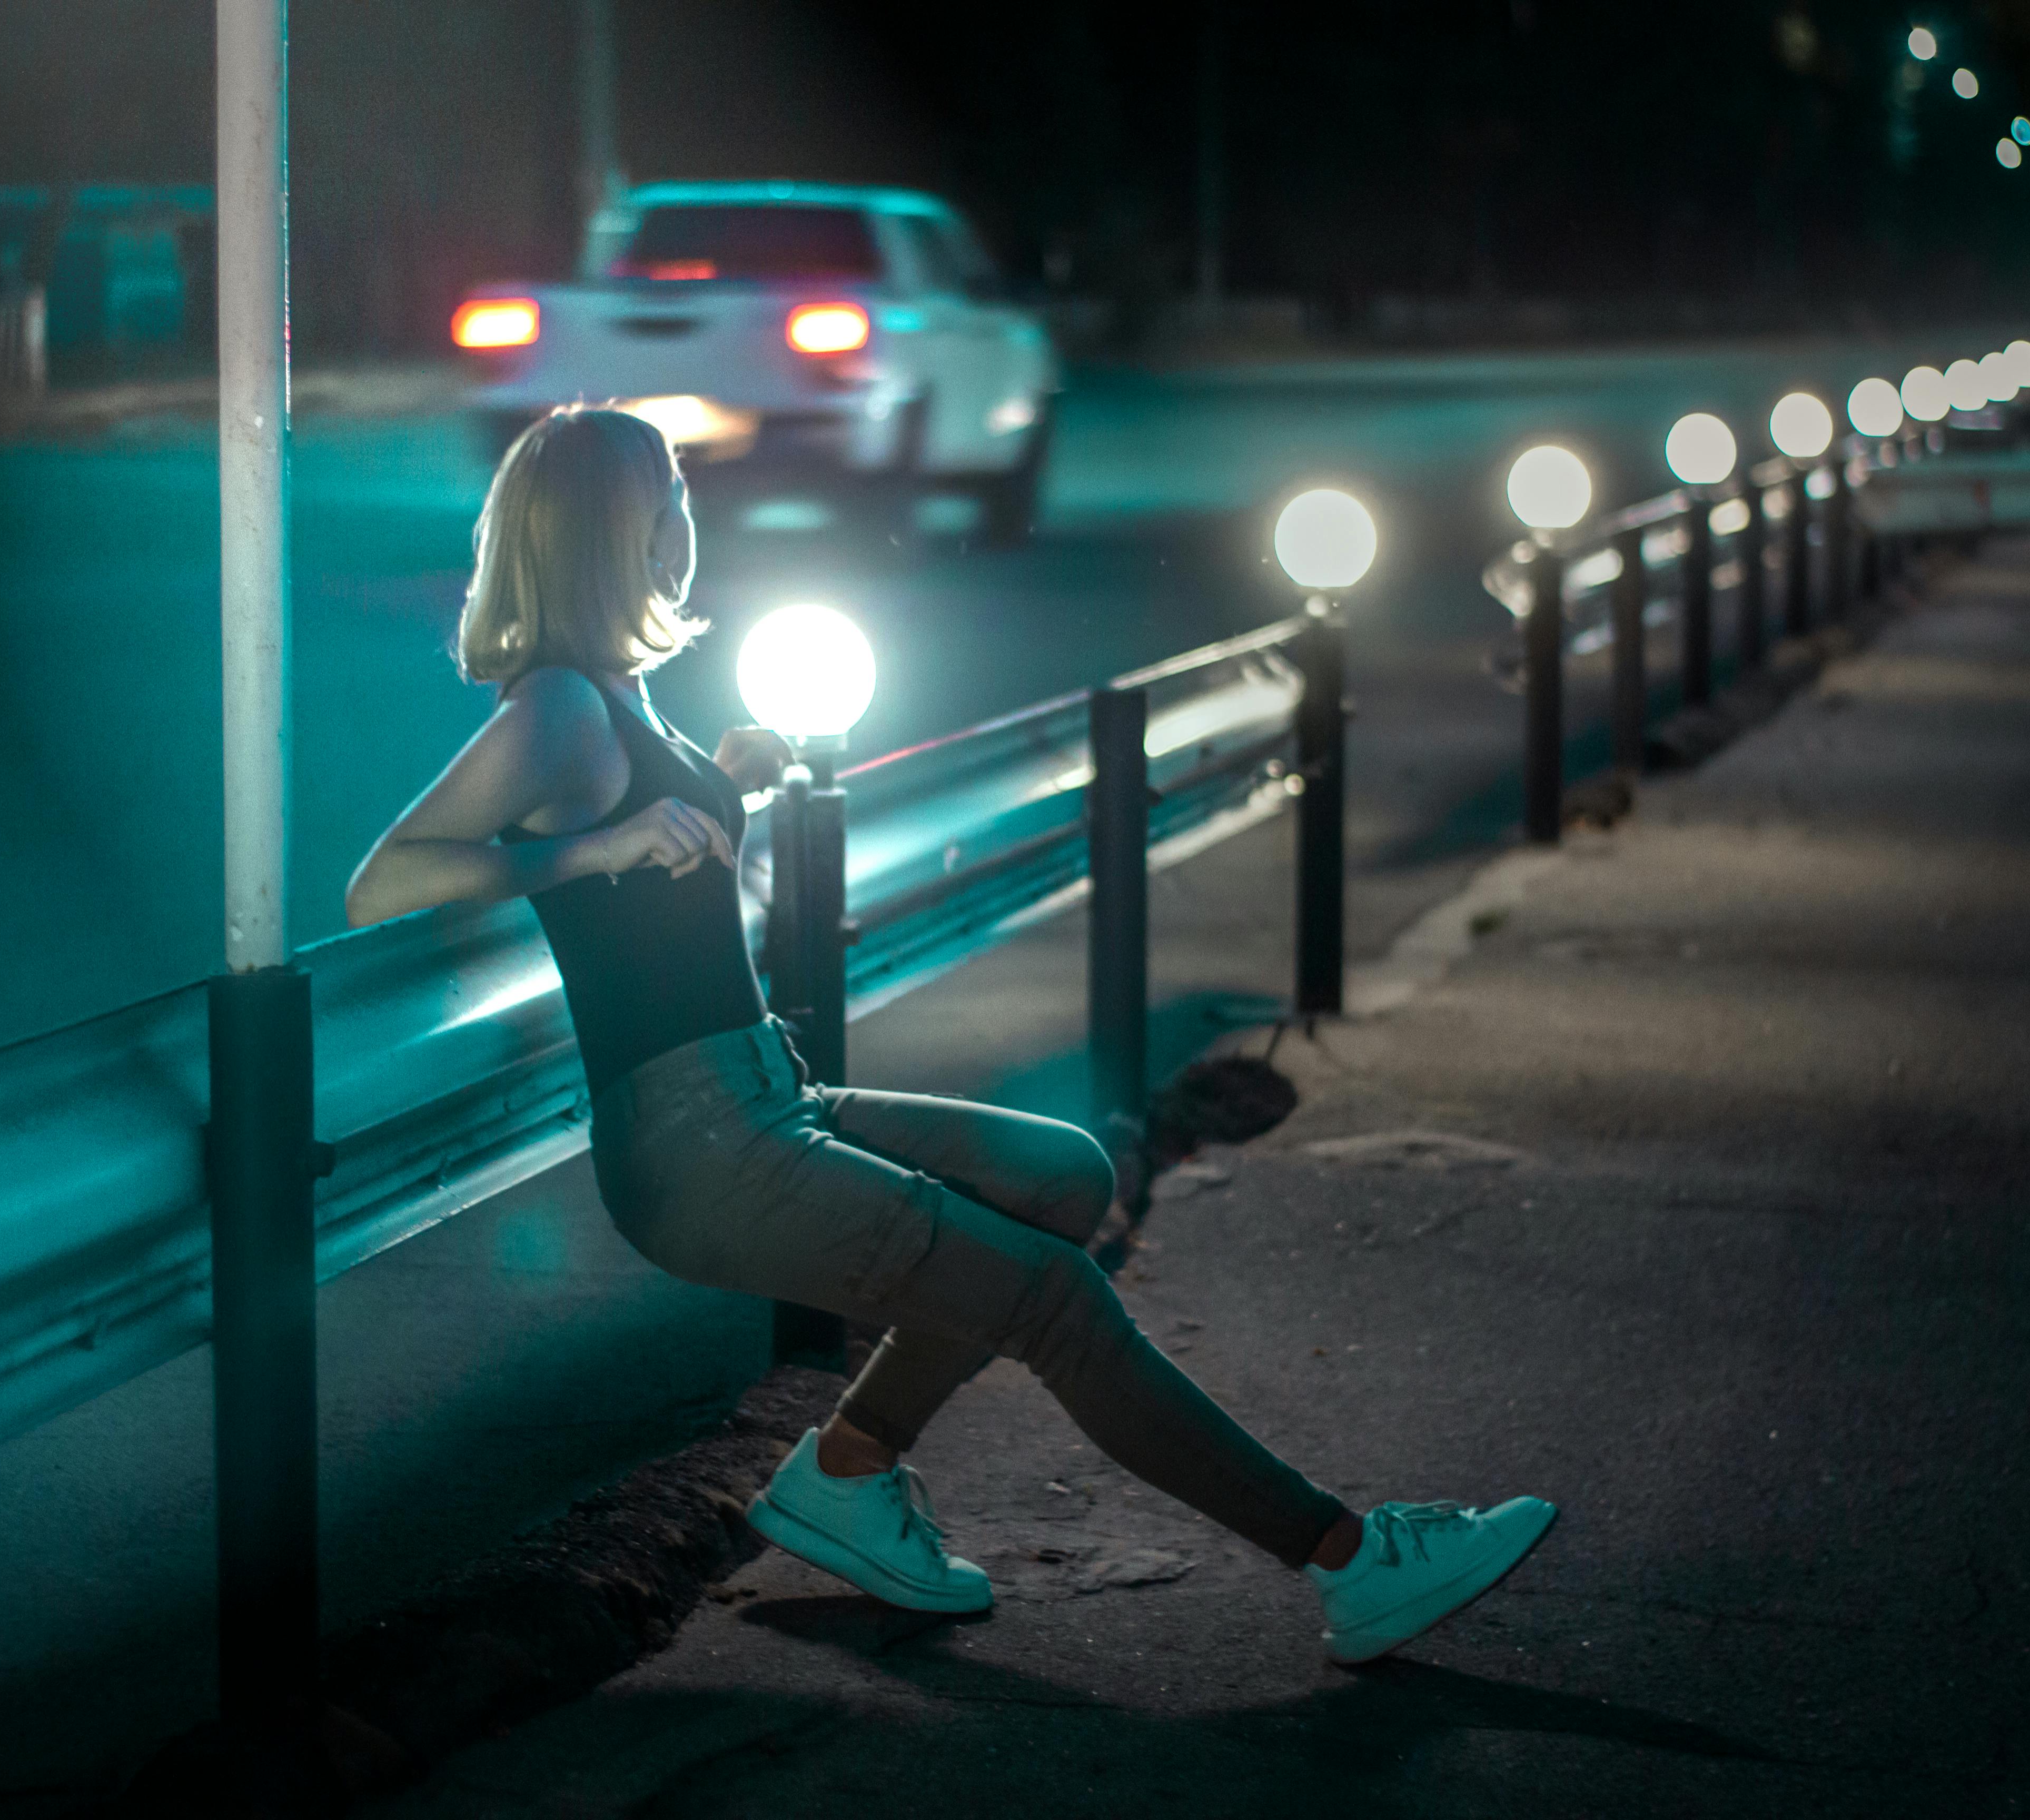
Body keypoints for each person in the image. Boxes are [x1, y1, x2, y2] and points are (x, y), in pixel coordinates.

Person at [346, 407, 1555, 1663]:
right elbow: (384, 880)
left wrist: (724, 778)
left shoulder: (617, 698)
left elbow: (655, 879)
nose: (686, 524)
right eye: (669, 500)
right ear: (612, 533)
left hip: (763, 1095)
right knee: (1051, 1299)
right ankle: (1352, 1562)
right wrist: (594, 847)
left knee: (1062, 1177)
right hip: (698, 1144)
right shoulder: (558, 708)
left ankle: (848, 1474)